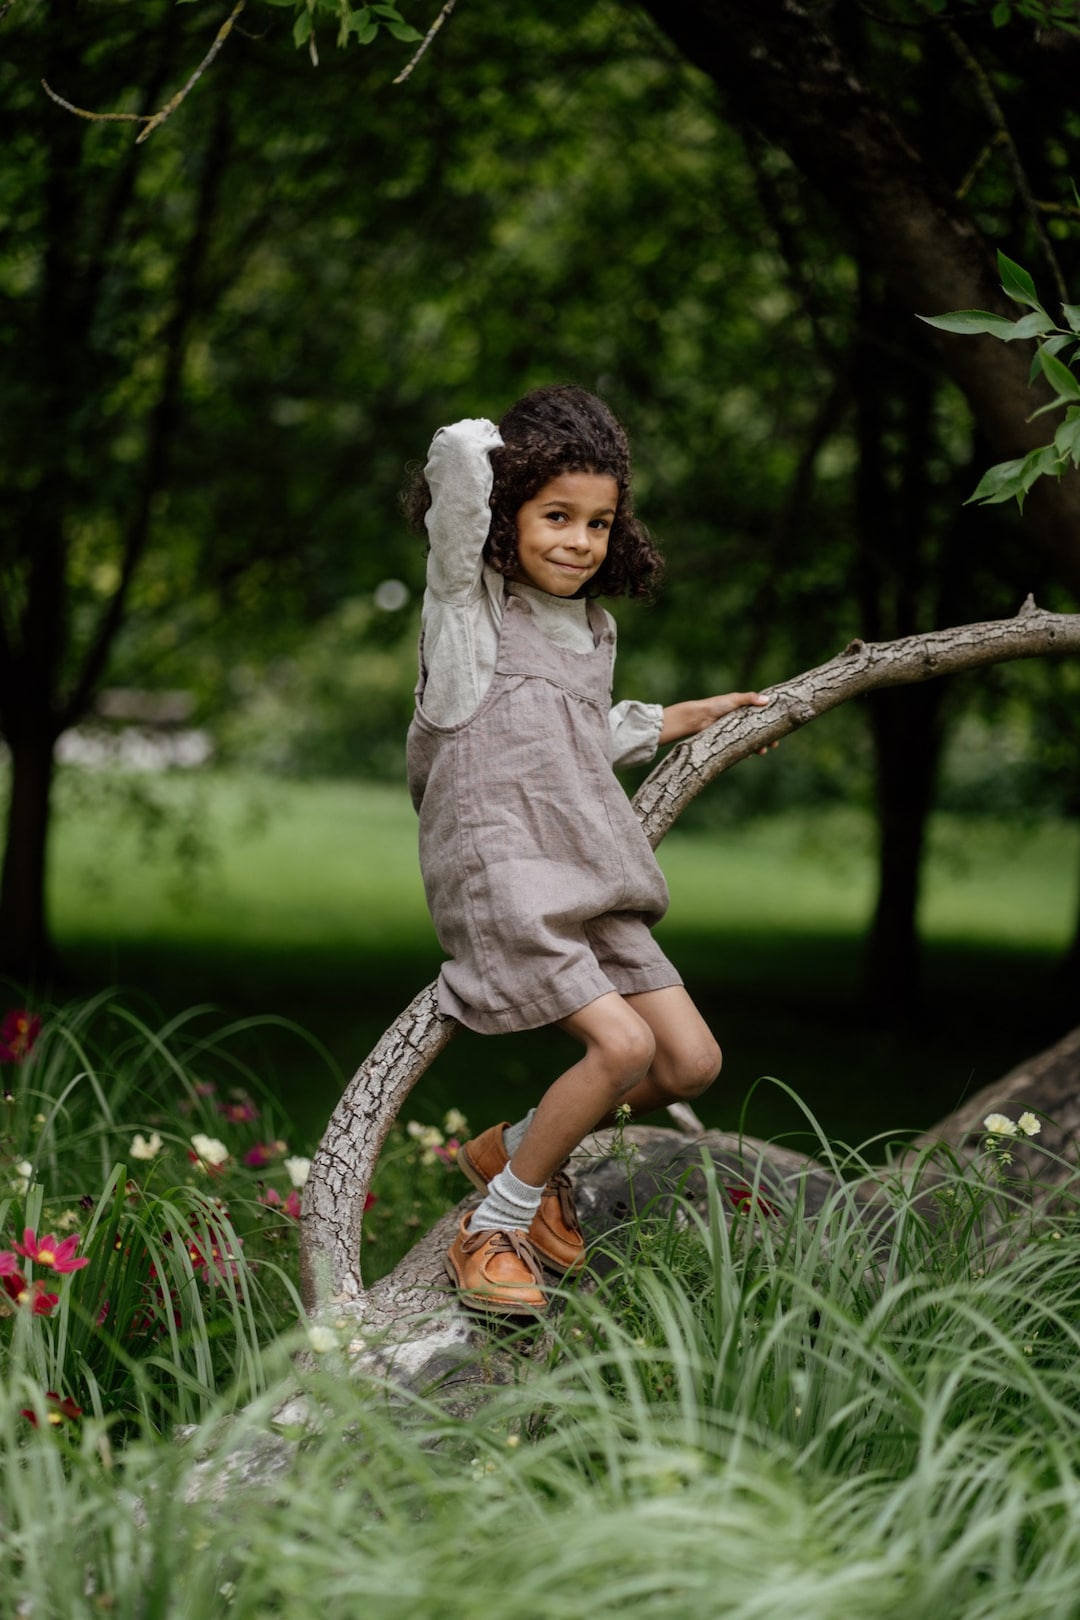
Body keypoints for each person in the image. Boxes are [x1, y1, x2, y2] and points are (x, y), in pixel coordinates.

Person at [404, 386, 771, 1315]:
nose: (578, 540)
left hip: (589, 867)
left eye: (598, 523)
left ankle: (518, 1143)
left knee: (687, 1063)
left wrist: (683, 717)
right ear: (506, 514)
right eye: (555, 515)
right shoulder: (467, 613)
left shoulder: (593, 630)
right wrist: (497, 449)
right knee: (622, 1045)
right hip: (504, 872)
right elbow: (456, 480)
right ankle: (496, 1220)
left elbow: (568, 740)